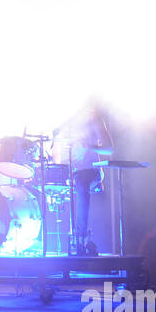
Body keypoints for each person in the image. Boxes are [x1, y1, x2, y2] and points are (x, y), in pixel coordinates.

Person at [53, 106, 113, 256]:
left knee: (81, 182)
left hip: (89, 170)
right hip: (67, 171)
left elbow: (109, 149)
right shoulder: (62, 122)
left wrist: (89, 146)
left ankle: (81, 237)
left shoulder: (92, 117)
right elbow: (55, 152)